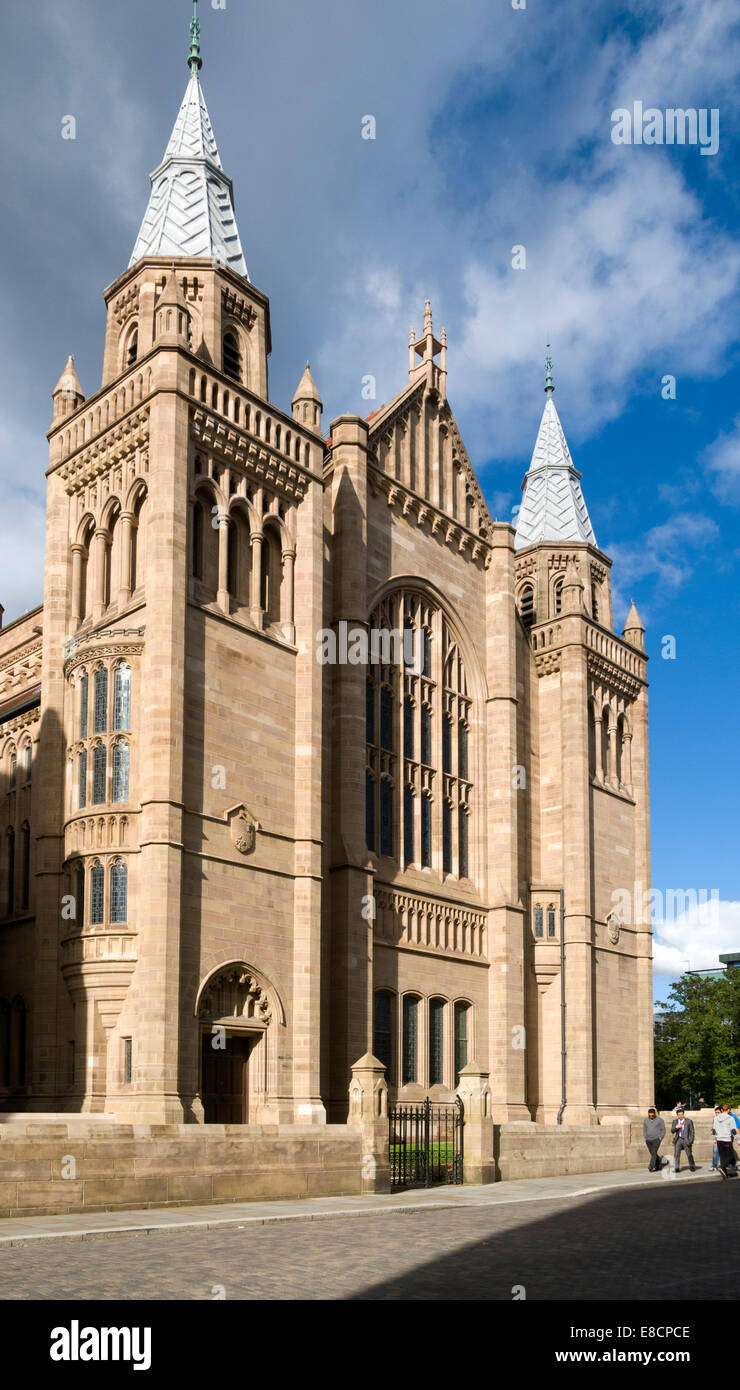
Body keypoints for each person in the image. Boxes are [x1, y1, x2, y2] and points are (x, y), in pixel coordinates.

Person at [671, 1105, 696, 1172]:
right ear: (677, 1115)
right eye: (679, 1115)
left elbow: (692, 1131)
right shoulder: (675, 1121)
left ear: (683, 1114)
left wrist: (691, 1140)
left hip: (686, 1139)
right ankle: (677, 1168)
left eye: (682, 1114)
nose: (681, 1116)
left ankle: (692, 1166)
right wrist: (676, 1127)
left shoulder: (688, 1121)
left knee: (689, 1154)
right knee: (676, 1155)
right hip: (678, 1139)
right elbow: (672, 1131)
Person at [714, 1105, 737, 1178]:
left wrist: (715, 1139)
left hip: (719, 1140)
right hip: (726, 1139)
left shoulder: (715, 1118)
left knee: (723, 1156)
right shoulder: (731, 1118)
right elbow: (733, 1131)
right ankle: (722, 1166)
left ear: (721, 1110)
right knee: (730, 1156)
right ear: (729, 1110)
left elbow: (714, 1130)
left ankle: (725, 1173)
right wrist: (737, 1140)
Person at [643, 1107, 666, 1171]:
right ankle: (659, 1164)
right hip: (648, 1140)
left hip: (656, 1139)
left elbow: (663, 1130)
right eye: (650, 1115)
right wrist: (645, 1137)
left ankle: (651, 1166)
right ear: (648, 1114)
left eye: (652, 1115)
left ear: (654, 1114)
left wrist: (660, 1138)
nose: (651, 1116)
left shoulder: (660, 1120)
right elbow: (644, 1129)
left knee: (653, 1152)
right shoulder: (645, 1120)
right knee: (653, 1153)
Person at [712, 1105, 721, 1170]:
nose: (717, 1114)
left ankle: (732, 1164)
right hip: (717, 1138)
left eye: (718, 1112)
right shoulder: (715, 1119)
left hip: (725, 1138)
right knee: (715, 1151)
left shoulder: (727, 1118)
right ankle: (714, 1166)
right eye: (716, 1112)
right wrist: (715, 1139)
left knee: (727, 1152)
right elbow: (714, 1129)